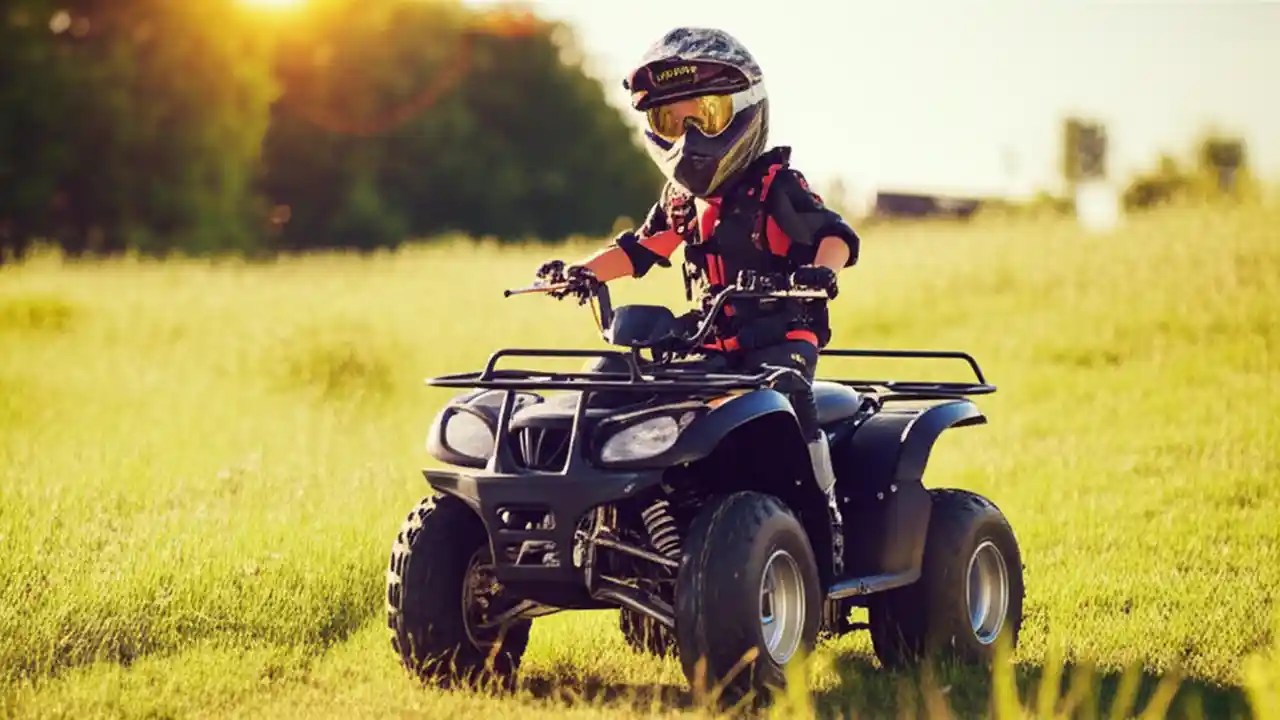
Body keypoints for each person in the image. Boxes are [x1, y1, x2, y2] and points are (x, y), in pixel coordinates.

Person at [533, 27, 860, 488]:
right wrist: (581, 273)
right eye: (671, 121)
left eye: (706, 116)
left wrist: (821, 273)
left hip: (781, 339)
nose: (689, 137)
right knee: (611, 376)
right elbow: (640, 249)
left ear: (746, 111)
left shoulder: (776, 186)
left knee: (785, 399)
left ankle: (819, 500)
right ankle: (606, 496)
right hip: (708, 342)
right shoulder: (681, 202)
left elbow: (835, 234)